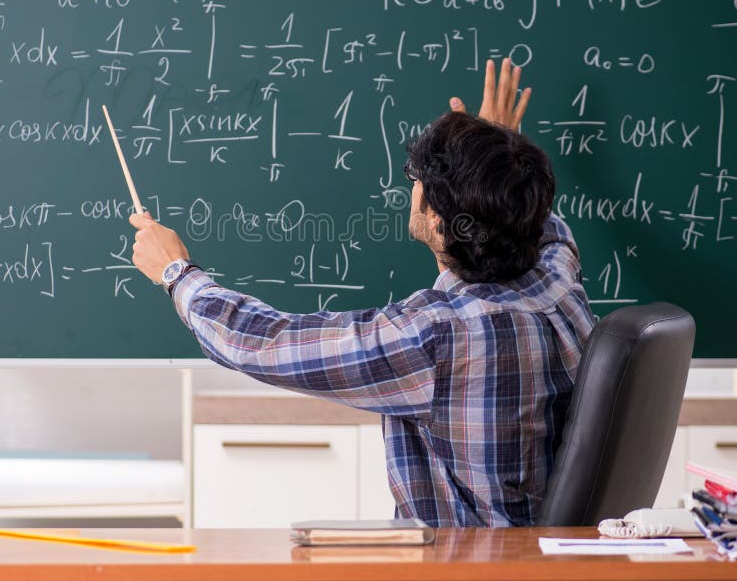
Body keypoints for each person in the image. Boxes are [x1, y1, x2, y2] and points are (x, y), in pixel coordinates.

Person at [129, 59, 595, 527]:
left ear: (435, 219)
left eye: (417, 183)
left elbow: (264, 342)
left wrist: (176, 272)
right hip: (538, 563)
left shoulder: (435, 339)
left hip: (459, 573)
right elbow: (542, 227)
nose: (411, 187)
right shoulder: (559, 284)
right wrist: (493, 158)